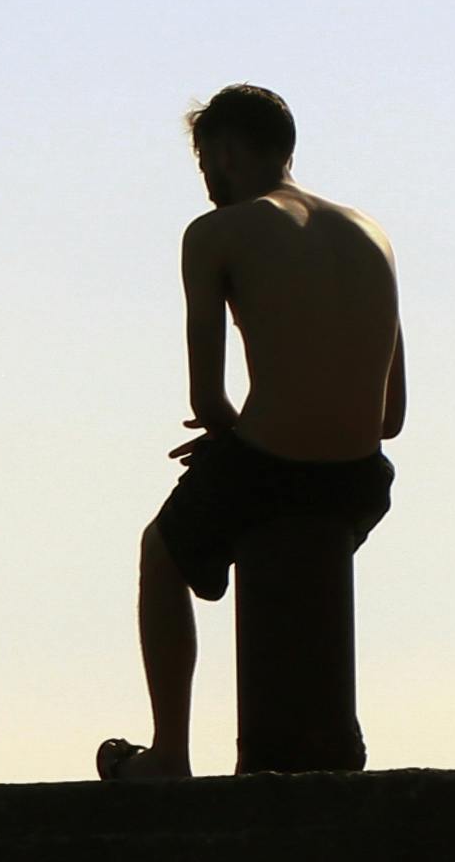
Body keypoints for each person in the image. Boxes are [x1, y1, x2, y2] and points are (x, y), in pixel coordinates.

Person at [95, 85, 404, 780]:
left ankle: (168, 753)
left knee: (161, 552)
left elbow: (208, 400)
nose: (206, 177)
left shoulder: (216, 234)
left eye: (204, 160)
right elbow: (391, 415)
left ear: (226, 152)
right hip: (361, 479)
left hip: (270, 468)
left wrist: (239, 438)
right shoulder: (372, 234)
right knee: (287, 547)